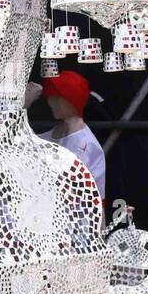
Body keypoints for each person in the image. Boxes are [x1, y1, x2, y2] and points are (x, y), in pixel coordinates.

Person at [27, 69, 107, 202]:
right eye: (51, 97)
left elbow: (60, 188)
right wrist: (23, 106)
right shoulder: (54, 134)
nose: (50, 102)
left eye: (57, 98)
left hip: (77, 219)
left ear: (72, 100)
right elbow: (21, 148)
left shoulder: (86, 145)